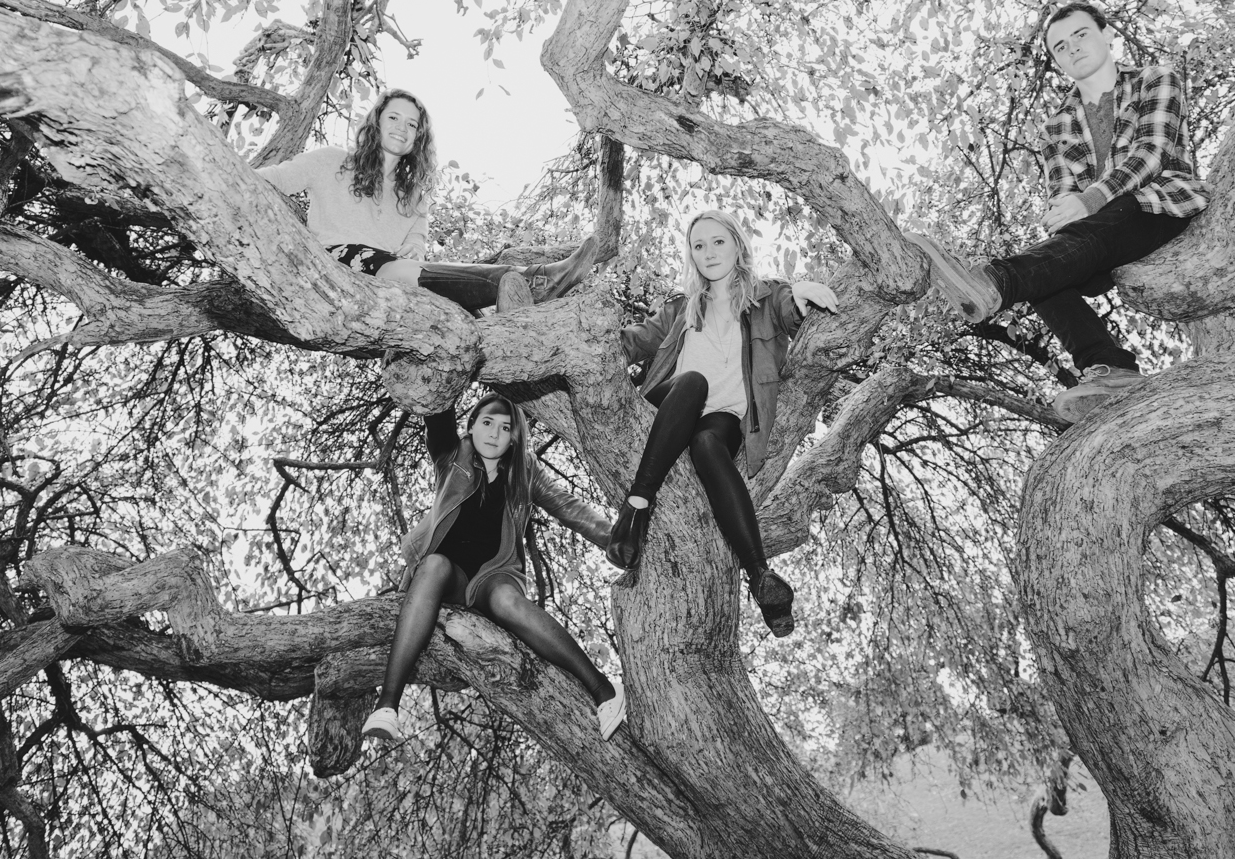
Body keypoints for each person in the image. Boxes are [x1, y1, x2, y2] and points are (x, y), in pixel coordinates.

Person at [907, 1, 1209, 423]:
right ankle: (1110, 367)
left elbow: (1152, 153)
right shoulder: (1055, 127)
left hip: (1159, 206)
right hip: (1100, 236)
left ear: (1106, 34)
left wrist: (1090, 200)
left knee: (1099, 220)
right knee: (1048, 269)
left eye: (1081, 35)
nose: (1073, 48)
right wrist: (1070, 215)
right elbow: (1064, 198)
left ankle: (996, 281)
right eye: (1060, 47)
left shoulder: (1155, 79)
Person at [609, 209, 839, 637]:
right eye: (699, 245)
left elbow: (790, 307)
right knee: (693, 381)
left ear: (737, 244)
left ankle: (761, 577)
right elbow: (630, 344)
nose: (709, 252)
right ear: (691, 255)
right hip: (672, 402)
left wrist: (802, 290)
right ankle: (636, 507)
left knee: (709, 447)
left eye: (718, 242)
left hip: (724, 415)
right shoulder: (680, 309)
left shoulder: (763, 298)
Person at [362, 391, 626, 742]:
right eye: (486, 423)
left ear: (514, 436)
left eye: (505, 428)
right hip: (448, 575)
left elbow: (570, 508)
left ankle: (605, 691)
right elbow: (436, 410)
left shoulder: (525, 471)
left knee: (507, 601)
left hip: (494, 574)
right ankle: (387, 706)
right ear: (470, 427)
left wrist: (614, 540)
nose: (494, 433)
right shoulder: (451, 453)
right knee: (434, 565)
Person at [257, 89, 596, 310]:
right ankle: (535, 278)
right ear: (376, 121)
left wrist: (412, 251)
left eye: (412, 124)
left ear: (419, 136)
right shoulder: (330, 160)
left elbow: (416, 250)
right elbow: (269, 181)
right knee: (396, 267)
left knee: (464, 317)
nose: (401, 128)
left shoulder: (415, 196)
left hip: (394, 278)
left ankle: (513, 303)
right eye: (393, 118)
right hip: (338, 266)